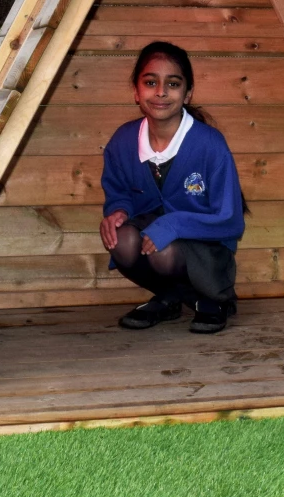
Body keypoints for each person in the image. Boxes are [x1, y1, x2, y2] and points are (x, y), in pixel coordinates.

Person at [99, 41, 245, 334]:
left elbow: (231, 221)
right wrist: (118, 210)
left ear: (187, 93)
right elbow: (119, 191)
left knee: (162, 249)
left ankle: (211, 298)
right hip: (157, 239)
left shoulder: (209, 144)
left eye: (173, 84)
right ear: (136, 91)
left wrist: (174, 224)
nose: (161, 92)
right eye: (151, 82)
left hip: (206, 250)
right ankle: (171, 296)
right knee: (122, 240)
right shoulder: (123, 141)